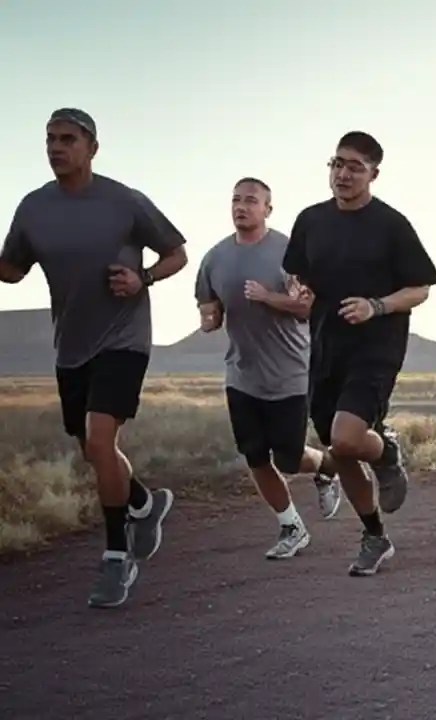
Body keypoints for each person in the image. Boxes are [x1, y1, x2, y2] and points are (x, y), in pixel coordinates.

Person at [0, 108, 187, 608]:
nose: (55, 148)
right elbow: (11, 271)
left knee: (102, 438)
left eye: (66, 139)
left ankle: (115, 557)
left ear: (91, 148)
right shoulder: (33, 207)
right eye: (49, 140)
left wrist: (143, 278)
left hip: (124, 338)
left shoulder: (122, 200)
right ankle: (145, 503)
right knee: (91, 449)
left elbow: (176, 253)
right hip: (71, 345)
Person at [282, 131, 436, 577]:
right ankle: (375, 536)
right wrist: (298, 288)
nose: (343, 174)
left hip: (376, 347)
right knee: (340, 447)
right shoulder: (310, 220)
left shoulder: (391, 224)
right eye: (337, 164)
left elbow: (421, 288)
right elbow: (296, 273)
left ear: (373, 173)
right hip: (326, 346)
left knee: (348, 438)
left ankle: (386, 451)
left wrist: (376, 306)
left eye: (354, 166)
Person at [195, 177, 344, 560]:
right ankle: (291, 526)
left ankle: (327, 465)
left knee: (288, 458)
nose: (241, 206)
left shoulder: (289, 254)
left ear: (268, 209)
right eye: (235, 200)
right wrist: (210, 320)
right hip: (242, 374)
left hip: (291, 372)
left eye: (250, 200)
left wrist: (267, 297)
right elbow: (208, 308)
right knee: (255, 456)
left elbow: (308, 307)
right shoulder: (214, 258)